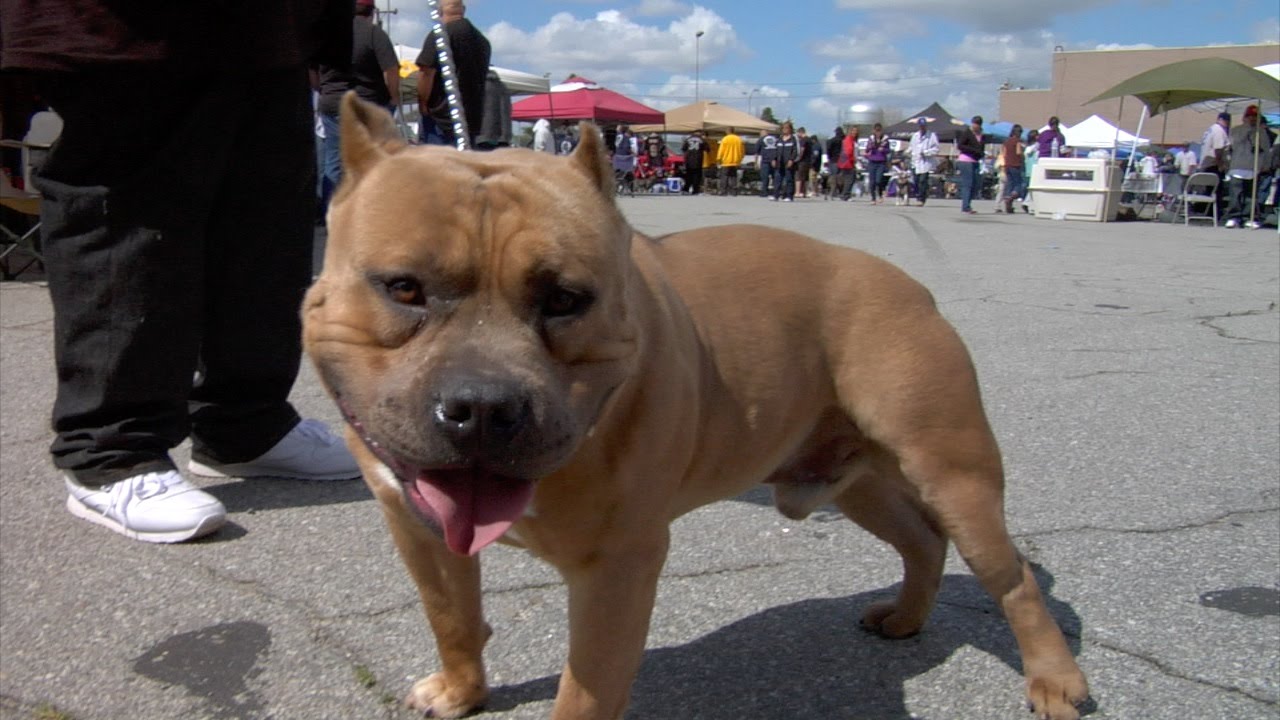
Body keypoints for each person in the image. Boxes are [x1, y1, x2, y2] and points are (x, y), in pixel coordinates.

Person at [1, 0, 361, 543]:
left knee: (264, 226)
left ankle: (245, 422)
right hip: (131, 23)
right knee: (136, 215)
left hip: (271, 26)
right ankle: (113, 446)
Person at [315, 0, 399, 213]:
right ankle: (368, 211)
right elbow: (391, 70)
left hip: (333, 105)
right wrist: (393, 97)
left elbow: (311, 70)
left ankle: (331, 212)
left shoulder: (327, 35)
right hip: (367, 106)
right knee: (371, 160)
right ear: (372, 12)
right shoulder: (374, 34)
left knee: (333, 161)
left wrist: (322, 90)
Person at [415, 0, 490, 147]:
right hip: (471, 119)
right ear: (463, 9)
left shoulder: (440, 35)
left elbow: (426, 73)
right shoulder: (482, 41)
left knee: (436, 167)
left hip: (441, 118)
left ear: (439, 11)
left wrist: (423, 104)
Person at [1223, 105, 1273, 229]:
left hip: (1253, 168)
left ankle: (1249, 217)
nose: (1252, 119)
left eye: (1255, 117)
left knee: (1251, 196)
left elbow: (1266, 150)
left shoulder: (1261, 132)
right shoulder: (1236, 130)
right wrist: (1248, 130)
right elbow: (1233, 144)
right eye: (1250, 116)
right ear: (1244, 117)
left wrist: (1266, 165)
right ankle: (1234, 217)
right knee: (1236, 194)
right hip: (1237, 167)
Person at [1200, 111, 1231, 216]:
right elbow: (1218, 149)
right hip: (1214, 165)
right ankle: (1214, 214)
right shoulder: (1219, 131)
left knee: (1209, 191)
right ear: (1221, 120)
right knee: (1216, 192)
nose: (1228, 123)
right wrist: (1220, 164)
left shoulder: (1210, 129)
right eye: (1227, 121)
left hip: (1206, 164)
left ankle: (1208, 213)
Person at [955, 115, 985, 215]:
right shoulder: (967, 133)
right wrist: (974, 151)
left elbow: (981, 148)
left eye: (977, 124)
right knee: (968, 183)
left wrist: (981, 154)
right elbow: (960, 145)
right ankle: (966, 207)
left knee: (976, 184)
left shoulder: (982, 135)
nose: (975, 126)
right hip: (965, 160)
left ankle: (968, 203)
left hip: (975, 161)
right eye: (974, 124)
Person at [908, 117, 939, 206]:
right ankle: (918, 195)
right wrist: (907, 152)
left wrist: (926, 153)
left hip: (926, 162)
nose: (922, 127)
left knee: (923, 181)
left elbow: (936, 149)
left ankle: (922, 198)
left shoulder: (932, 136)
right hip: (915, 162)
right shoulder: (915, 136)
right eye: (921, 126)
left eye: (924, 126)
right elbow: (911, 146)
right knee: (916, 181)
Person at [999, 124, 1025, 214]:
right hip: (1015, 165)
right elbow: (1018, 152)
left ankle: (1008, 205)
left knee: (1010, 184)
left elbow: (1004, 153)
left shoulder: (1006, 142)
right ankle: (1010, 198)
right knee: (1019, 184)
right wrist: (1023, 156)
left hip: (1007, 165)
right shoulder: (1017, 141)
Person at [864, 122, 891, 205]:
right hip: (872, 161)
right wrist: (870, 148)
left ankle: (880, 194)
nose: (878, 132)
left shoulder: (885, 139)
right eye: (876, 131)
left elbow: (888, 150)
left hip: (881, 162)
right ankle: (873, 198)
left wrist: (883, 150)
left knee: (878, 180)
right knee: (872, 181)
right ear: (874, 131)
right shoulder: (871, 139)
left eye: (879, 131)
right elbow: (867, 149)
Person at [775, 121, 801, 202]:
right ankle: (776, 195)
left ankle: (789, 196)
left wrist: (792, 160)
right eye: (783, 128)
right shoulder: (779, 138)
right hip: (780, 163)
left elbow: (796, 151)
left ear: (790, 129)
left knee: (789, 179)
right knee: (778, 179)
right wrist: (774, 159)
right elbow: (776, 150)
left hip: (789, 163)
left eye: (786, 128)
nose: (785, 129)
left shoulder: (794, 138)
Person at [716, 126, 744, 196]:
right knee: (733, 176)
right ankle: (734, 192)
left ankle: (723, 191)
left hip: (726, 161)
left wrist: (718, 159)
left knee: (724, 177)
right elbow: (742, 151)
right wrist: (740, 159)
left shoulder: (725, 139)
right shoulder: (738, 139)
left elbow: (721, 150)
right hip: (735, 161)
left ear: (727, 131)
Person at [681, 129, 707, 195]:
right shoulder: (702, 140)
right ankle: (695, 190)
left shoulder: (688, 139)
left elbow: (683, 148)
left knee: (688, 175)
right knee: (697, 176)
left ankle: (686, 189)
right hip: (698, 160)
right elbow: (707, 149)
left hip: (689, 160)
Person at [838, 126, 859, 201]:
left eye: (856, 131)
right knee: (850, 179)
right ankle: (846, 195)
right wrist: (854, 160)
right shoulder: (848, 139)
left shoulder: (853, 140)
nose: (855, 132)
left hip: (849, 162)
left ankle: (844, 194)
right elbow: (849, 151)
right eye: (853, 131)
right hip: (848, 162)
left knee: (850, 179)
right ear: (850, 131)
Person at [757, 129, 780, 199]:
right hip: (774, 160)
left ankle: (764, 192)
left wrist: (756, 162)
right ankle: (776, 191)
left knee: (765, 177)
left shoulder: (761, 140)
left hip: (765, 161)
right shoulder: (775, 139)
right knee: (775, 177)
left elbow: (757, 152)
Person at [1022, 128, 1040, 214]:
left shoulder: (1027, 147)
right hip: (1033, 168)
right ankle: (1027, 203)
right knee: (1033, 187)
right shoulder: (1034, 146)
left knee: (1032, 187)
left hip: (1029, 169)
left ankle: (1028, 203)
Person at [826, 126, 846, 199]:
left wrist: (829, 157)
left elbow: (828, 149)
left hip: (833, 160)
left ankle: (833, 191)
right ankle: (841, 191)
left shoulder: (832, 140)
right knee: (841, 176)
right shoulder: (844, 140)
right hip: (842, 160)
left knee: (833, 176)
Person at [795, 127, 815, 198]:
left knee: (799, 176)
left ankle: (798, 192)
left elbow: (802, 150)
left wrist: (798, 158)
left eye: (798, 133)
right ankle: (804, 192)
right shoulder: (809, 140)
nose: (797, 135)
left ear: (800, 132)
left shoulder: (803, 140)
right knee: (806, 177)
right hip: (808, 161)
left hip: (802, 161)